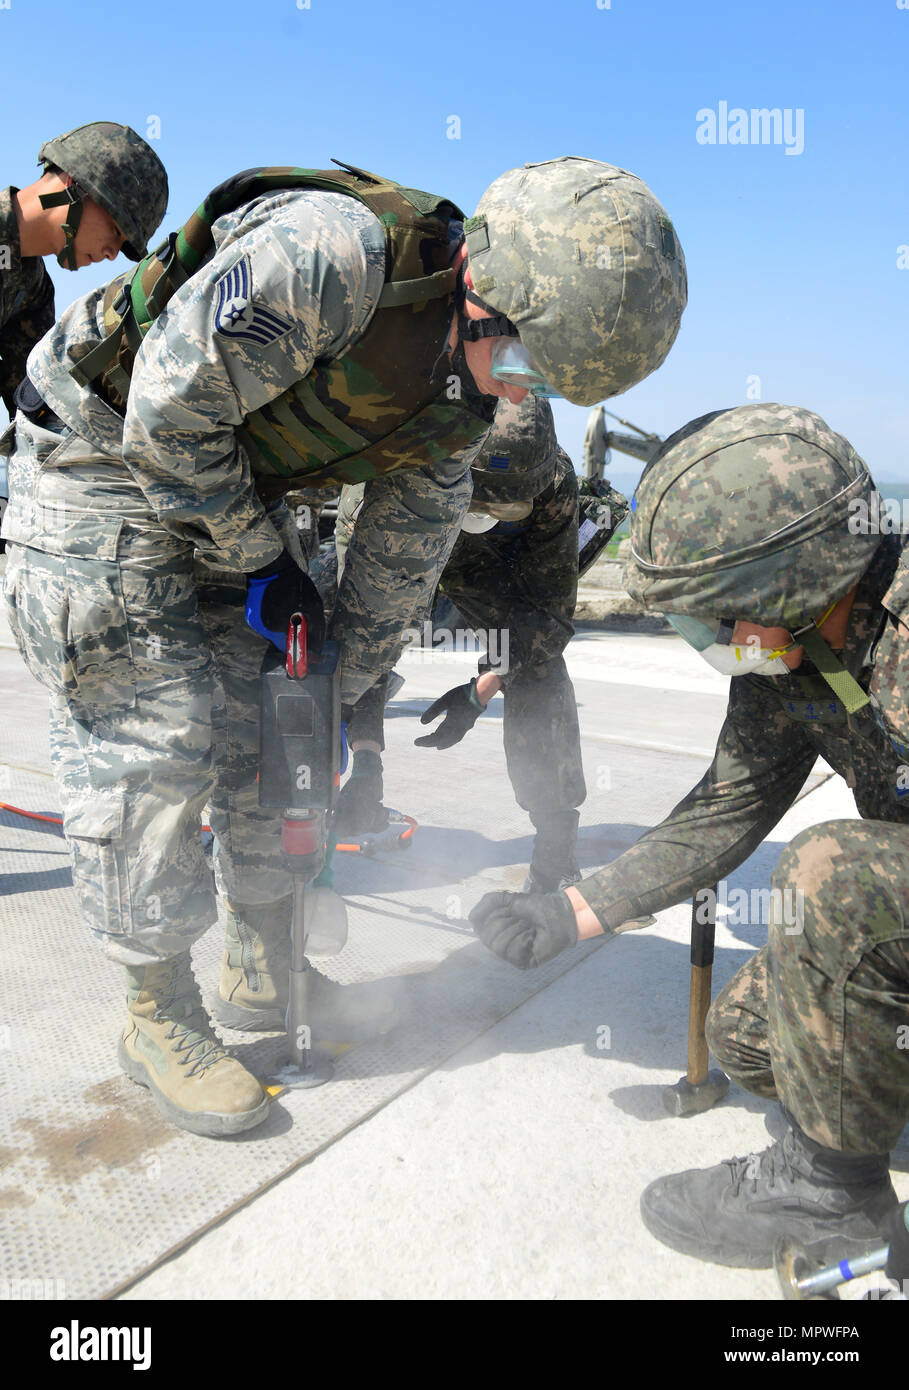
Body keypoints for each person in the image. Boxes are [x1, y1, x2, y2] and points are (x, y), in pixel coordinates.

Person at [3, 156, 687, 1137]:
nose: (517, 385)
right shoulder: (331, 258)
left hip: (224, 483)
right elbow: (165, 417)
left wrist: (325, 697)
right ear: (488, 282)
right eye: (520, 350)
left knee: (271, 724)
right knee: (152, 736)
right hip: (97, 458)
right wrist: (259, 561)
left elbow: (392, 576)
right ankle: (159, 1013)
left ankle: (262, 964)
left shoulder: (464, 402)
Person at [471, 401, 908, 1266]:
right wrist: (574, 910)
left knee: (830, 875)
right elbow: (729, 803)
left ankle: (832, 1202)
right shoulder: (793, 657)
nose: (706, 640)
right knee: (755, 1034)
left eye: (711, 615)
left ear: (783, 583)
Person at [335, 395, 592, 893]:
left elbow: (547, 616)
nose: (488, 513)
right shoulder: (385, 471)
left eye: (505, 505)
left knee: (540, 668)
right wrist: (366, 756)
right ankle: (321, 789)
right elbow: (364, 628)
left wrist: (481, 689)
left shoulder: (554, 482)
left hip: (492, 572)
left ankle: (556, 851)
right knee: (334, 643)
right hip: (411, 536)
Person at [0, 122, 168, 416]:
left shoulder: (34, 289)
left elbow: (31, 404)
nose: (112, 253)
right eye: (115, 230)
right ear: (72, 185)